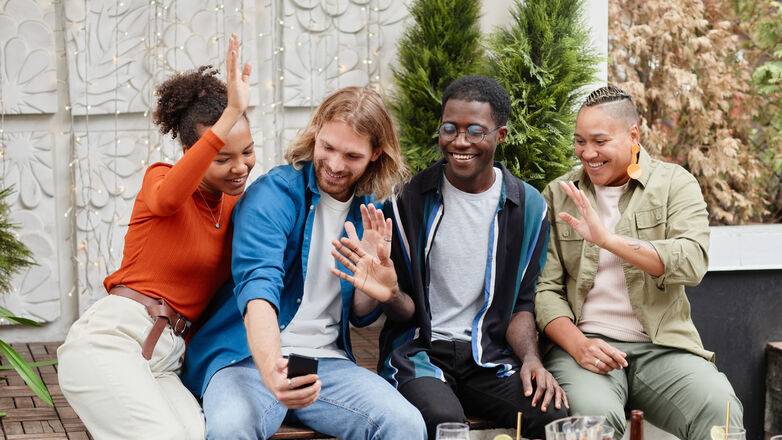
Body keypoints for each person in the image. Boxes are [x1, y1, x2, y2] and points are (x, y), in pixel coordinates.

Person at [181, 86, 427, 440]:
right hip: (247, 359)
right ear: (316, 134)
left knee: (405, 424)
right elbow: (258, 293)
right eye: (327, 147)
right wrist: (271, 372)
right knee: (231, 428)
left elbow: (360, 314)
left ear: (375, 153)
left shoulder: (372, 211)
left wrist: (376, 288)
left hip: (326, 363)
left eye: (352, 156)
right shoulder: (273, 194)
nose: (336, 165)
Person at [332, 75, 568, 440]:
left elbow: (521, 306)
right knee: (445, 421)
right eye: (450, 128)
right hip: (420, 354)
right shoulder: (406, 201)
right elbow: (396, 310)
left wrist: (532, 361)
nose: (460, 141)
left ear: (499, 136)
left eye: (476, 131)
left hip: (488, 357)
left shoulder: (529, 208)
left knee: (551, 413)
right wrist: (390, 294)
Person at [57, 34, 254, 439]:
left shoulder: (238, 208)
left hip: (167, 359)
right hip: (114, 339)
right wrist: (232, 110)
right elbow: (166, 200)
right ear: (191, 151)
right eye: (221, 157)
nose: (240, 167)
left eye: (247, 152)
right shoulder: (161, 180)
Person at [534, 86, 743, 439]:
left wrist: (609, 241)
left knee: (718, 408)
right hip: (585, 346)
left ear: (633, 134)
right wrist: (578, 345)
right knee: (592, 421)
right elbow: (544, 288)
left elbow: (692, 261)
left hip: (661, 348)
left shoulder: (675, 184)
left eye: (599, 141)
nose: (588, 153)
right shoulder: (559, 194)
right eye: (580, 141)